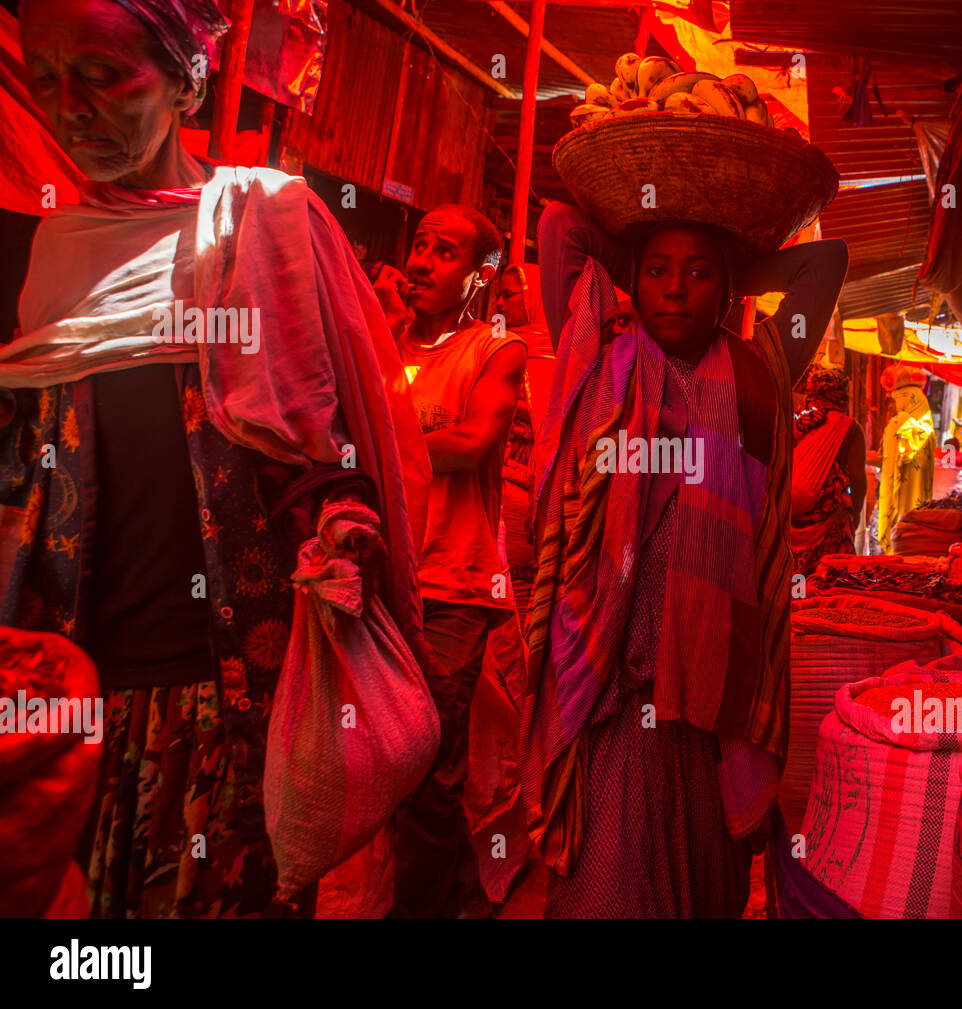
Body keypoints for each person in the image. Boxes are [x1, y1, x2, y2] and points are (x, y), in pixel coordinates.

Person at [6, 0, 431, 918]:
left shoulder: (264, 220)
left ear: (185, 76)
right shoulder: (54, 246)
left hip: (230, 683)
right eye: (46, 81)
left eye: (103, 74)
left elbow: (321, 439)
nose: (69, 108)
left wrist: (345, 528)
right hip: (72, 680)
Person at [521, 201, 847, 917]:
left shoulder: (760, 374)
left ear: (728, 291)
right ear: (631, 279)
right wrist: (640, 239)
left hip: (709, 718)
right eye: (657, 271)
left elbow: (826, 262)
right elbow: (557, 229)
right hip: (612, 699)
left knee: (705, 894)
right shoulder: (603, 359)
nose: (674, 289)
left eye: (698, 275)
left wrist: (733, 260)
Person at [377, 205, 527, 918]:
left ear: (481, 274)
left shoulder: (496, 351)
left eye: (445, 251)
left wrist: (376, 441)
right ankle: (461, 898)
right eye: (421, 245)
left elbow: (470, 443)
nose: (423, 260)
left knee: (429, 766)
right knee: (378, 759)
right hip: (376, 579)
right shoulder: (377, 341)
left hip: (453, 585)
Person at [495, 263, 555, 617]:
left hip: (526, 490)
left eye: (508, 295)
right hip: (490, 487)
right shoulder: (495, 347)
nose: (500, 303)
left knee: (521, 597)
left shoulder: (553, 358)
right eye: (499, 294)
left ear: (532, 300)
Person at [791, 366, 867, 576]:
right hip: (830, 522)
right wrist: (855, 514)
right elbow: (858, 480)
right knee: (828, 583)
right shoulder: (849, 428)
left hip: (788, 519)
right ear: (842, 394)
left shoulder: (796, 419)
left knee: (792, 590)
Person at [876, 364, 935, 554]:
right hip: (918, 514)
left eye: (895, 401)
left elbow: (892, 462)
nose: (893, 407)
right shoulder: (927, 429)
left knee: (896, 546)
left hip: (899, 505)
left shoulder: (900, 425)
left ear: (906, 400)